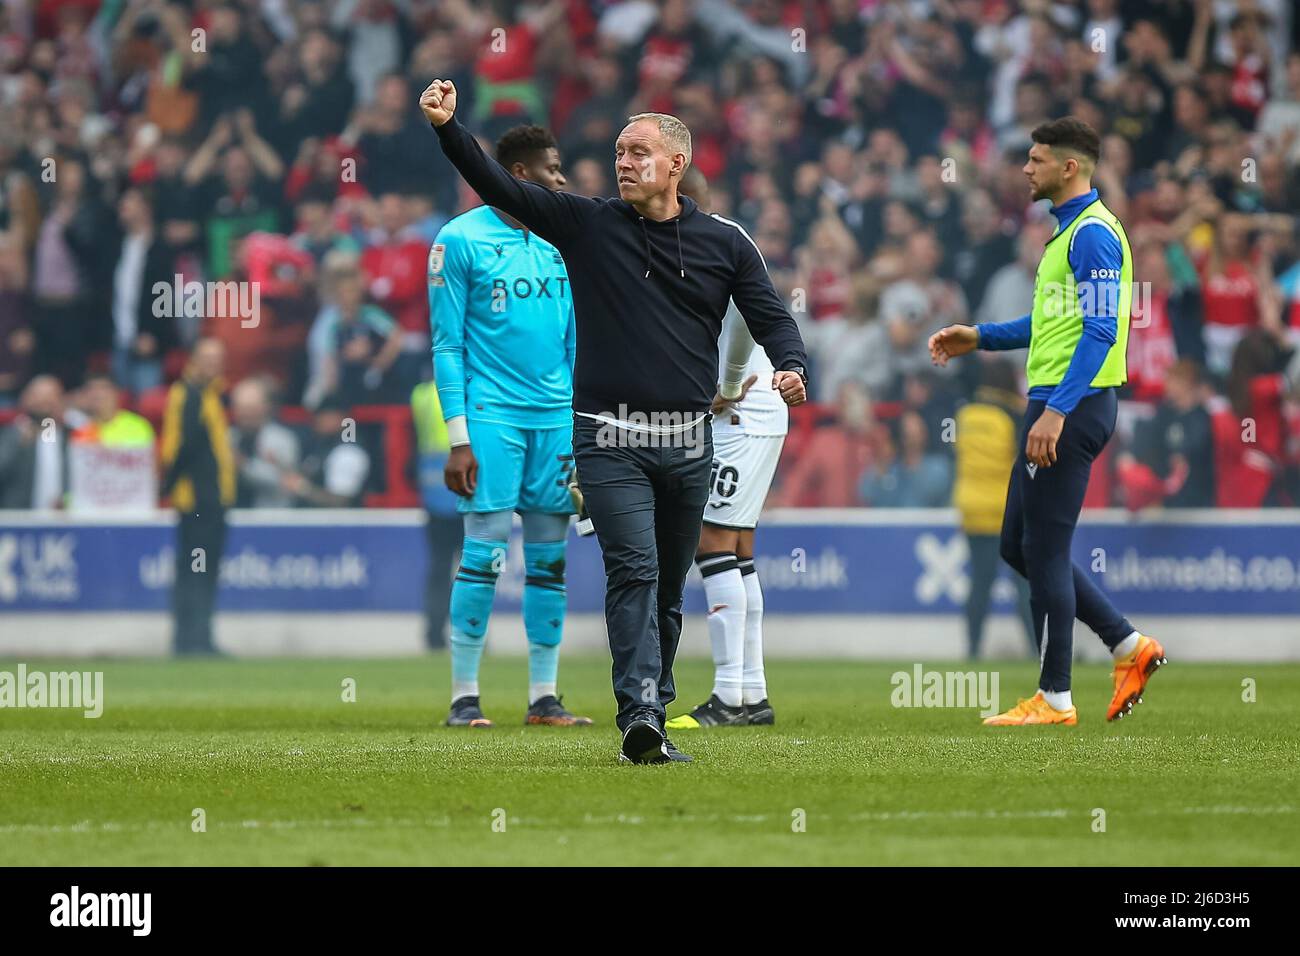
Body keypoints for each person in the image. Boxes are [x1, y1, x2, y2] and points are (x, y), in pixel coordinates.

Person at [421, 78, 808, 764]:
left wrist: (792, 365)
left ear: (676, 166)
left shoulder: (725, 243)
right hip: (608, 436)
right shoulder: (588, 223)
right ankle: (642, 715)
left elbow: (771, 313)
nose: (623, 162)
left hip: (689, 441)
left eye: (638, 152)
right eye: (620, 151)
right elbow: (503, 187)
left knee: (664, 587)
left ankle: (653, 693)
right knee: (632, 569)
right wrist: (450, 130)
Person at [928, 117, 1165, 726]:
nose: (1025, 169)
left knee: (1046, 550)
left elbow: (1102, 331)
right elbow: (1049, 325)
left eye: (1035, 160)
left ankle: (1056, 695)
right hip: (1056, 401)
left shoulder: (1092, 236)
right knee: (1020, 545)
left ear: (1069, 168)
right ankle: (1127, 644)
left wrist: (1056, 412)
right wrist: (977, 336)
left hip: (1072, 404)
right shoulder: (1066, 234)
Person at [429, 124, 590, 728]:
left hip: (554, 423)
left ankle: (543, 697)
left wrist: (580, 424)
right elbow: (447, 345)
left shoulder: (563, 240)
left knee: (549, 561)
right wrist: (458, 437)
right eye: (553, 168)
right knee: (485, 554)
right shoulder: (458, 240)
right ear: (520, 174)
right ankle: (464, 696)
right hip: (492, 418)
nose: (563, 178)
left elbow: (576, 340)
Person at [665, 167, 786, 731]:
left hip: (741, 410)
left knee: (711, 545)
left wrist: (731, 384)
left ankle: (728, 697)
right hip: (746, 410)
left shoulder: (713, 244)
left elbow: (743, 322)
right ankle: (752, 694)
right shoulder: (715, 240)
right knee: (736, 551)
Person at [952, 359, 1036, 659]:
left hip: (972, 509)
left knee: (979, 584)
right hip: (1007, 512)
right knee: (1024, 586)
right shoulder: (1014, 416)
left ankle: (973, 649)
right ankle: (1037, 650)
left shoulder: (965, 414)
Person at [160, 338, 235, 656]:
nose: (212, 364)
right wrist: (168, 487)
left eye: (217, 358)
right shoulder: (188, 395)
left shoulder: (210, 395)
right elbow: (180, 447)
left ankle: (199, 637)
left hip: (213, 500)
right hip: (198, 501)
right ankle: (190, 640)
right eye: (206, 358)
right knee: (196, 570)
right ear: (192, 360)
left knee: (204, 571)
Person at [411, 377, 461, 651]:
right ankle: (472, 633)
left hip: (434, 488)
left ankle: (434, 637)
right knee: (472, 570)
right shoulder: (472, 386)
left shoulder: (421, 394)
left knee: (439, 568)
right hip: (468, 486)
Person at [228, 377, 300, 508]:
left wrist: (243, 465)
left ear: (266, 407)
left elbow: (286, 482)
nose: (245, 414)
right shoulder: (227, 438)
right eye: (240, 407)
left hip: (271, 519)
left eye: (251, 408)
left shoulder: (283, 440)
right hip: (231, 516)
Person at [0, 376, 70, 510]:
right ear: (24, 399)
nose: (43, 401)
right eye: (37, 395)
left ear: (61, 401)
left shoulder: (70, 435)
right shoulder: (8, 434)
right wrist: (17, 443)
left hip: (62, 522)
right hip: (17, 522)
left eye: (50, 396)